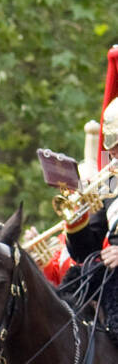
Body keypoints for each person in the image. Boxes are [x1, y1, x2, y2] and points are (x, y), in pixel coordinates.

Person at [64, 96, 118, 331]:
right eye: (112, 145)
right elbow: (86, 251)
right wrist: (76, 217)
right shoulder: (111, 182)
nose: (112, 152)